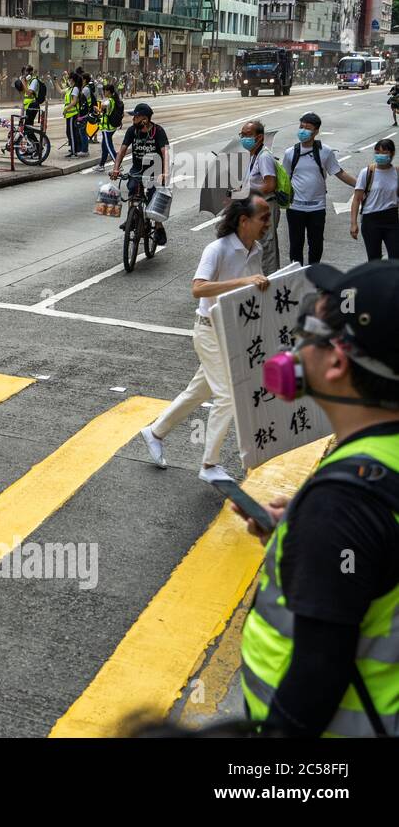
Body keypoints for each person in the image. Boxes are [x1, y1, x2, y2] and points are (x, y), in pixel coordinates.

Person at [237, 260, 399, 737]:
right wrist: (301, 533)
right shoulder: (372, 470)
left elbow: (318, 672)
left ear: (335, 362)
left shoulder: (344, 503)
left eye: (311, 329)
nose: (297, 344)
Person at [138, 193, 272, 481]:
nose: (268, 223)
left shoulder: (257, 250)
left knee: (198, 391)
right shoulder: (218, 249)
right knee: (227, 395)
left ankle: (155, 431)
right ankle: (210, 465)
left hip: (234, 332)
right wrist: (245, 281)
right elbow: (198, 289)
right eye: (264, 217)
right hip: (208, 329)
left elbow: (252, 290)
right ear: (244, 221)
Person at [281, 112, 355, 266]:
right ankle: (296, 275)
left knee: (316, 244)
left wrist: (362, 185)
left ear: (316, 132)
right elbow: (285, 178)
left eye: (307, 128)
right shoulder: (290, 153)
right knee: (296, 244)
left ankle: (314, 274)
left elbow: (339, 173)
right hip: (295, 207)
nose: (303, 131)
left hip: (317, 207)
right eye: (301, 127)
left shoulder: (325, 151)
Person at [109, 102, 170, 245]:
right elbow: (122, 151)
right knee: (132, 188)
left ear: (145, 119)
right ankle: (133, 217)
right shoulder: (132, 131)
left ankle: (159, 226)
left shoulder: (158, 131)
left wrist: (165, 173)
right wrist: (116, 169)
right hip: (137, 170)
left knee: (155, 197)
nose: (133, 119)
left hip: (155, 171)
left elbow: (165, 152)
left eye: (136, 117)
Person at [238, 119, 281, 275]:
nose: (244, 138)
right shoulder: (254, 155)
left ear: (260, 137)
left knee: (267, 246)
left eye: (248, 135)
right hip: (258, 207)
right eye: (242, 135)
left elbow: (270, 185)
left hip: (267, 206)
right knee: (260, 244)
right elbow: (256, 182)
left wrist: (247, 193)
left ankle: (270, 281)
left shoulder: (264, 157)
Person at [351, 137, 399, 260]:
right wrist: (353, 223)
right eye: (377, 153)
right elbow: (357, 199)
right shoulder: (367, 172)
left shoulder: (396, 173)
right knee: (374, 259)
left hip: (392, 219)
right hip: (371, 220)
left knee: (395, 259)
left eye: (384, 153)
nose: (380, 155)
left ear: (392, 154)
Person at [95, 81, 122, 171]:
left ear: (108, 91)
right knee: (104, 146)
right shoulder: (115, 99)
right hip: (111, 127)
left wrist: (98, 109)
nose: (103, 92)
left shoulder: (110, 100)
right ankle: (101, 165)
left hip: (107, 128)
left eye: (104, 91)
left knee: (109, 146)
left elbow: (104, 106)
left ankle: (118, 165)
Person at [62, 71, 81, 157]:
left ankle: (74, 152)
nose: (68, 80)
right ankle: (74, 149)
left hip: (73, 114)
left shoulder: (75, 89)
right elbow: (60, 91)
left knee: (72, 133)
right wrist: (55, 81)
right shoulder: (70, 88)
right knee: (69, 133)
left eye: (69, 78)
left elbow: (74, 102)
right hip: (69, 115)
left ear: (72, 79)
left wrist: (66, 109)